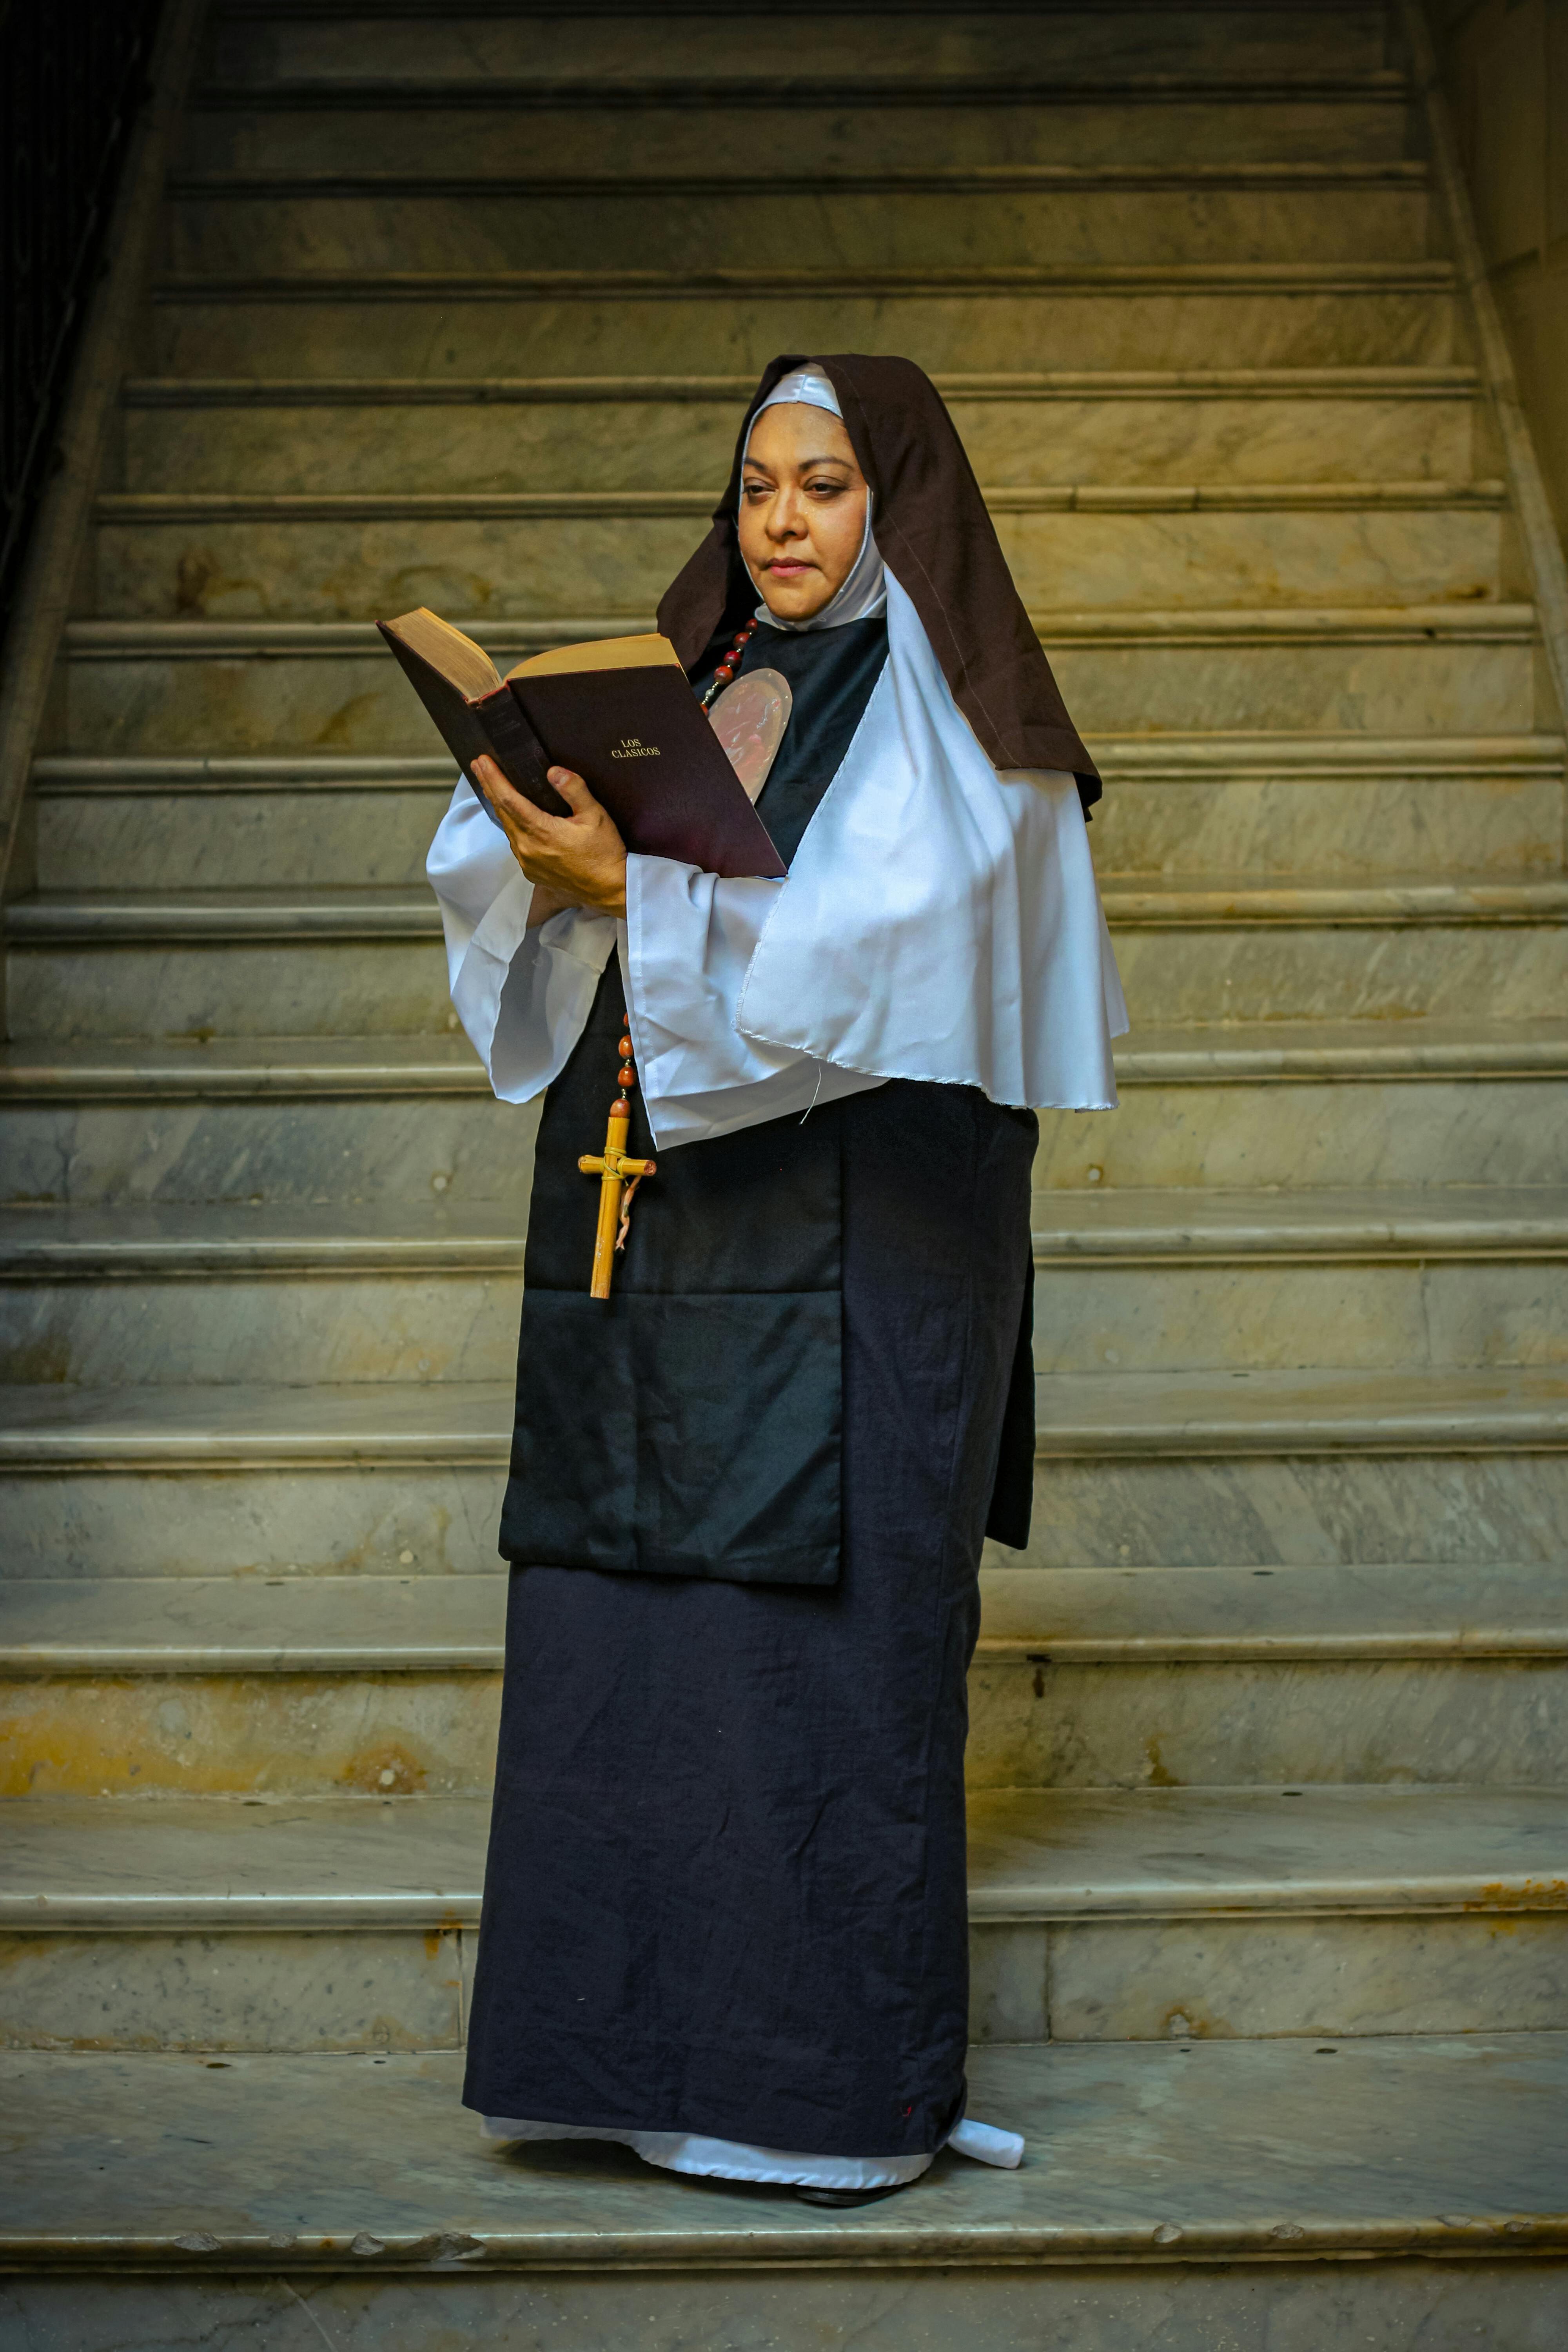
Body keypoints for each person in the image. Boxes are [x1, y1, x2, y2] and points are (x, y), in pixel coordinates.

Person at [426, 356, 1126, 2204]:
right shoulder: (705, 678)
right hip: (656, 1244)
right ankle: (618, 2062)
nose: (783, 523)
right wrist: (539, 845)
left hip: (867, 1257)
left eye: (821, 486)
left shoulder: (964, 726)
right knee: (627, 1632)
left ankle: (829, 2092)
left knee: (828, 1652)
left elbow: (906, 958)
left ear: (897, 503)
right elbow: (542, 898)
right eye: (755, 489)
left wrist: (628, 895)